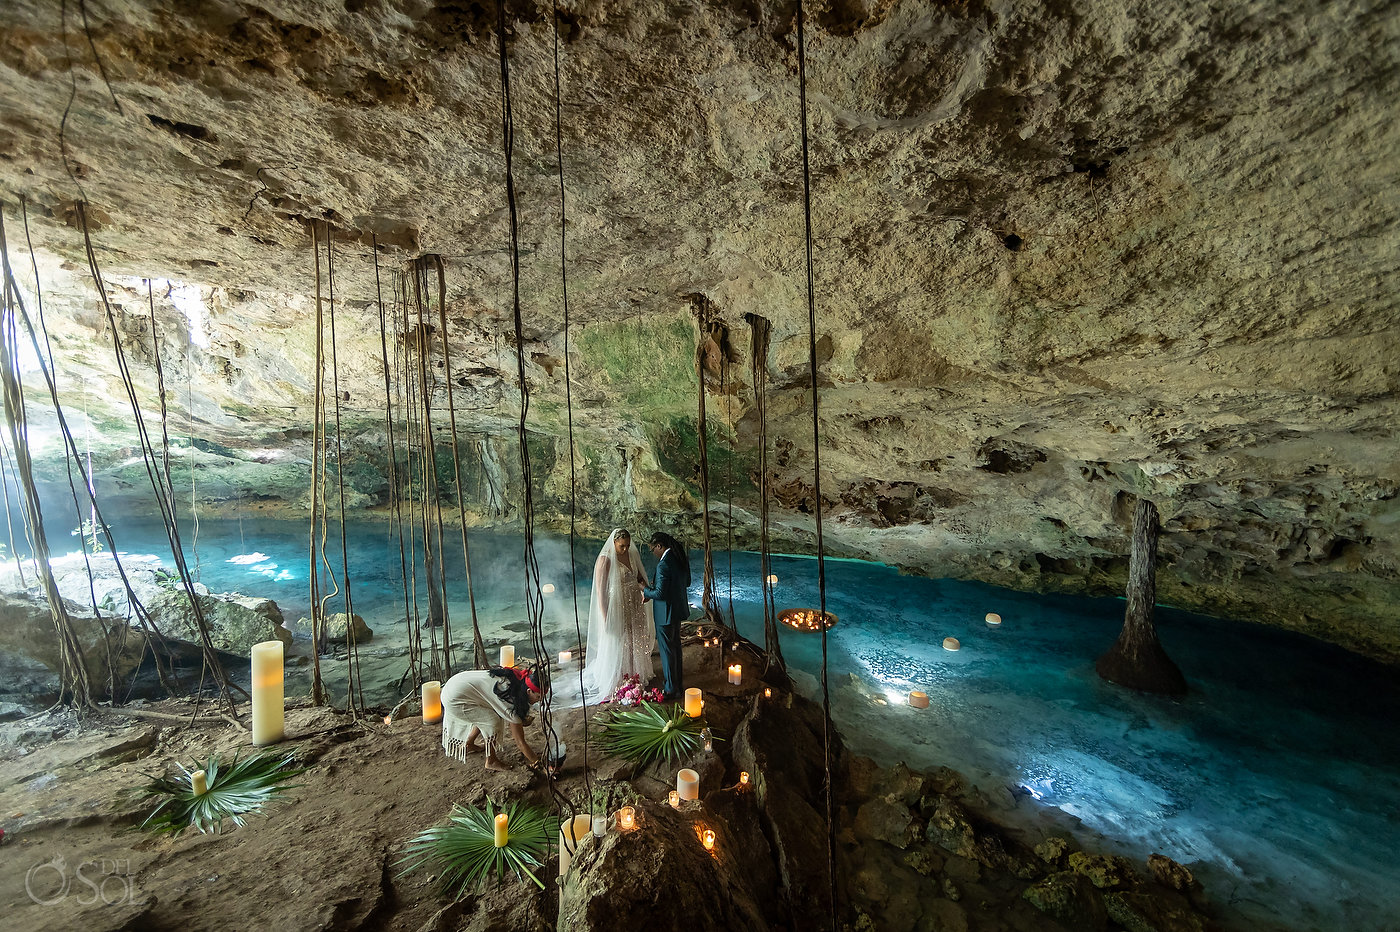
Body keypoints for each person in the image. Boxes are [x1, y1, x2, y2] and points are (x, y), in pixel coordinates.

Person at [579, 528, 655, 702]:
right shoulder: (605, 560)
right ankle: (619, 674)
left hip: (634, 604)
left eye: (628, 545)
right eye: (622, 546)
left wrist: (645, 591)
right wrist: (605, 617)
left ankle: (635, 672)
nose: (625, 549)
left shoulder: (631, 555)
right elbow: (600, 592)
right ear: (614, 542)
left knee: (635, 636)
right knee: (619, 639)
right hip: (617, 606)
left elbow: (638, 579)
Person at [440, 664, 556, 775]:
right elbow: (520, 742)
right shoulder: (508, 700)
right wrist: (539, 764)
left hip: (456, 684)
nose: (540, 700)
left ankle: (468, 743)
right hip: (454, 699)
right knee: (493, 721)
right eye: (538, 697)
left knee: (489, 712)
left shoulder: (516, 680)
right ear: (529, 691)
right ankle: (491, 761)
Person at [643, 531, 691, 701]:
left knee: (667, 651)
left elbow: (661, 593)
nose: (653, 553)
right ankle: (678, 684)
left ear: (659, 546)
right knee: (675, 649)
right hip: (677, 611)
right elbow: (686, 583)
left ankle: (670, 689)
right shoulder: (679, 559)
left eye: (652, 549)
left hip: (665, 614)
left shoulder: (663, 565)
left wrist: (645, 590)